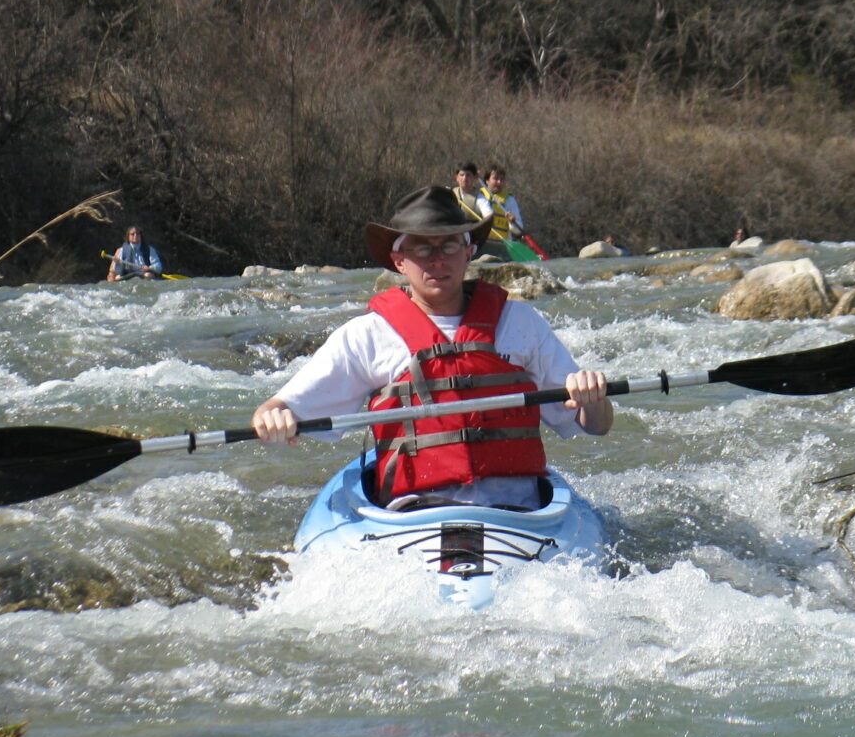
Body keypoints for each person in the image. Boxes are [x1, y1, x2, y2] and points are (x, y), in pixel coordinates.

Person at [251, 186, 612, 510]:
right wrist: (273, 415)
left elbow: (596, 426)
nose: (437, 259)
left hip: (519, 513)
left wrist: (594, 401)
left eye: (449, 245)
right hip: (414, 515)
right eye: (422, 247)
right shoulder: (366, 335)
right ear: (399, 261)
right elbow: (281, 407)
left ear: (469, 252)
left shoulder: (521, 323)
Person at [453, 162, 510, 260]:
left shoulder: (480, 198)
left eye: (468, 175)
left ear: (475, 178)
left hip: (471, 239)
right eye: (461, 175)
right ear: (456, 178)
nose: (465, 178)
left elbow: (488, 215)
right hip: (452, 237)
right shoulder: (450, 194)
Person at [479, 165, 526, 245]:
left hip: (502, 246)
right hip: (481, 243)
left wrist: (512, 222)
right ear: (487, 180)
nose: (499, 182)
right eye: (496, 178)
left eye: (502, 179)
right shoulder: (479, 196)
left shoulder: (509, 200)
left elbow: (519, 230)